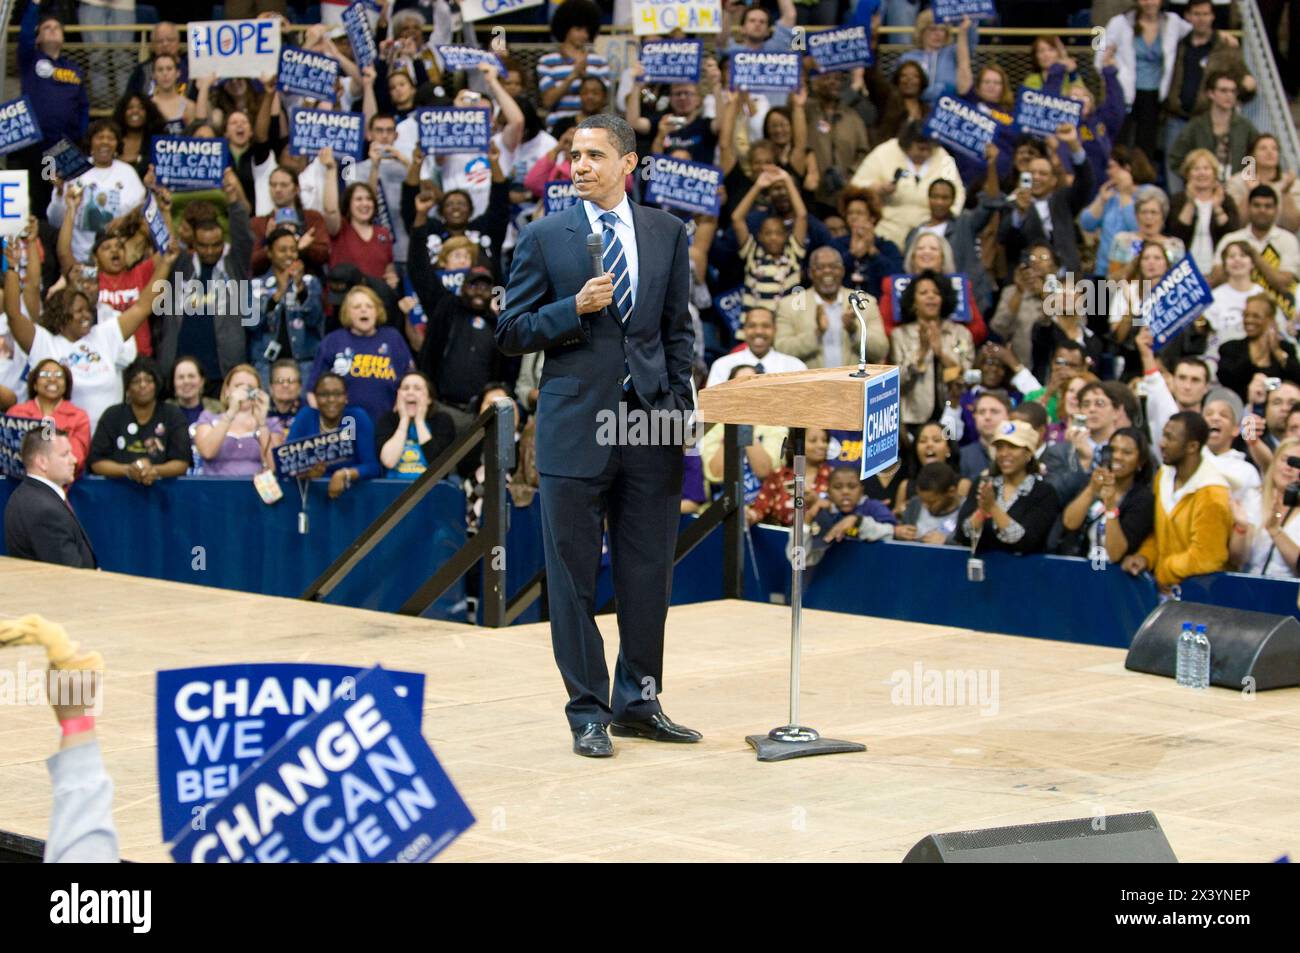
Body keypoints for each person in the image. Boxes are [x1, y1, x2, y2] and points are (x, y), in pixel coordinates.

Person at [495, 114, 700, 757]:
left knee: (646, 574)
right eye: (573, 156)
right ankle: (587, 709)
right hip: (573, 425)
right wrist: (571, 310)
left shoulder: (668, 232)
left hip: (650, 424)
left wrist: (674, 404)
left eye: (593, 155)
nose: (579, 166)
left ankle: (638, 700)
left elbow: (676, 332)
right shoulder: (544, 236)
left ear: (627, 163)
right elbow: (510, 330)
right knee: (572, 577)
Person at [4, 225, 173, 435]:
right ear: (61, 314)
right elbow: (13, 314)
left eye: (88, 310)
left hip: (108, 441)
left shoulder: (103, 334)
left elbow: (143, 306)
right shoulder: (44, 343)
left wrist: (165, 263)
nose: (87, 315)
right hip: (64, 441)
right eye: (79, 311)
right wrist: (11, 269)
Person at [1123, 411, 1233, 588]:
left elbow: (1207, 558)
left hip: (1198, 598)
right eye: (1163, 436)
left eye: (1170, 438)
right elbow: (1159, 534)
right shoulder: (1163, 476)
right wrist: (1145, 557)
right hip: (1164, 594)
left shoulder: (1212, 494)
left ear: (1192, 447)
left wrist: (1162, 569)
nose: (1162, 444)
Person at [1098, 0, 1193, 165]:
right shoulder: (1119, 22)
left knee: (1146, 143)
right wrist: (1106, 62)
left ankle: (1142, 181)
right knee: (1121, 140)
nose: (1150, 3)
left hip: (1154, 94)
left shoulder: (1172, 22)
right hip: (1124, 92)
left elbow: (1198, 33)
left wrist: (1222, 36)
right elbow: (1099, 51)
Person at [308, 285, 415, 431]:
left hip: (386, 426)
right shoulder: (333, 341)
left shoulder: (393, 338)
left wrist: (401, 418)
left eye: (369, 306)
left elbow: (410, 382)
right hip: (341, 428)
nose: (363, 310)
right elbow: (312, 390)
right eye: (357, 307)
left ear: (377, 311)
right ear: (347, 312)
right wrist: (324, 426)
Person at [16, 5, 88, 214]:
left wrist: (80, 135)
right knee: (39, 198)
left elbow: (83, 106)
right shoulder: (30, 60)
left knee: (67, 196)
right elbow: (25, 35)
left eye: (57, 27)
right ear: (38, 39)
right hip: (36, 144)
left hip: (65, 146)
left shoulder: (74, 69)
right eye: (46, 27)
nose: (53, 30)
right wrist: (34, 5)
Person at [951, 420, 1061, 554]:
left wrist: (992, 507)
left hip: (1026, 572)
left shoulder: (1044, 493)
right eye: (1000, 447)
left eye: (1012, 447)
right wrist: (981, 511)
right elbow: (962, 535)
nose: (1003, 453)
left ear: (1028, 453)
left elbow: (1026, 542)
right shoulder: (983, 484)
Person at [997, 123, 1094, 276]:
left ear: (1053, 180)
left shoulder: (1064, 200)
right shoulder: (1011, 204)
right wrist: (1019, 214)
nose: (1036, 177)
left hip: (1067, 279)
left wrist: (1073, 144)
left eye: (1042, 174)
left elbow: (1086, 182)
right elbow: (1004, 238)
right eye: (1032, 173)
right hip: (1030, 280)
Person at [46, 120, 147, 265]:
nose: (105, 142)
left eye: (111, 138)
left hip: (119, 259)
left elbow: (142, 212)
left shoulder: (128, 172)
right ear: (90, 142)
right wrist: (60, 191)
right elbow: (55, 221)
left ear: (117, 144)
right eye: (99, 137)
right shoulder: (74, 171)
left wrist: (125, 219)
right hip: (79, 258)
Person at [851, 121, 965, 250]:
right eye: (921, 149)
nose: (926, 153)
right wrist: (878, 188)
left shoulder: (941, 155)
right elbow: (855, 187)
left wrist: (947, 222)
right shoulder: (884, 152)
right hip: (887, 232)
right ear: (906, 144)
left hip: (929, 235)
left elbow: (958, 193)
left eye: (929, 149)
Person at [773, 247, 886, 369]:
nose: (827, 271)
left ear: (842, 271)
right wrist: (817, 334)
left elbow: (881, 350)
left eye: (833, 267)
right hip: (809, 385)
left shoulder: (865, 303)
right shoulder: (789, 305)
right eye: (820, 267)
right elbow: (781, 350)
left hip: (852, 384)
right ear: (810, 273)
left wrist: (854, 330)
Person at [890, 270, 975, 429]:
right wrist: (921, 354)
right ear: (913, 301)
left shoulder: (960, 333)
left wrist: (941, 353)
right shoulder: (900, 335)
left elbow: (966, 375)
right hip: (913, 418)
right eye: (923, 292)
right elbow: (897, 380)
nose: (931, 296)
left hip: (952, 412)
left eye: (936, 293)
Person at [88, 356, 192, 484]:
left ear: (157, 384)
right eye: (136, 381)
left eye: (148, 380)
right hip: (117, 492)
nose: (142, 385)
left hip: (165, 494)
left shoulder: (173, 414)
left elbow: (182, 463)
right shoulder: (112, 415)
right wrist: (128, 470)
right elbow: (97, 462)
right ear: (127, 387)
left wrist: (154, 470)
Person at [1058, 426, 1156, 561]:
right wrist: (1092, 489)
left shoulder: (1143, 499)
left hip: (1115, 574)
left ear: (1140, 461)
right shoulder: (1093, 484)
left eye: (1126, 452)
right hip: (1083, 567)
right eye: (1113, 450)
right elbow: (1069, 523)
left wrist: (1110, 507)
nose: (1117, 456)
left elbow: (1116, 554)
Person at [4, 430, 95, 570]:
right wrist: (95, 578)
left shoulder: (24, 494)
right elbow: (70, 575)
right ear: (42, 462)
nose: (74, 460)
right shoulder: (45, 511)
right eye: (65, 454)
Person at [249, 226, 326, 389]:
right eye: (282, 250)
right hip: (265, 364)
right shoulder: (255, 285)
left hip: (304, 363)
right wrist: (278, 294)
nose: (289, 255)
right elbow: (251, 324)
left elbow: (315, 320)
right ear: (269, 253)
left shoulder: (310, 282)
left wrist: (300, 289)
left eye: (293, 249)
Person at [286, 373, 381, 500]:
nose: (331, 399)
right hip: (310, 496)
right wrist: (306, 473)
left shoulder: (357, 417)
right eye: (324, 395)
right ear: (315, 398)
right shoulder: (306, 416)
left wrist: (344, 474)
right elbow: (287, 463)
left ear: (346, 397)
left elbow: (372, 467)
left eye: (337, 394)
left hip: (353, 498)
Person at [731, 166, 809, 315]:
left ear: (786, 235)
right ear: (759, 236)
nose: (773, 237)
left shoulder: (793, 253)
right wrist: (758, 186)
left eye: (778, 233)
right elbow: (737, 218)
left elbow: (802, 216)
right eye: (768, 233)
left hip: (785, 328)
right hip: (755, 328)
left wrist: (786, 180)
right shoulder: (753, 254)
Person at [1166, 71, 1258, 196]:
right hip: (1202, 191)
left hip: (1236, 191)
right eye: (1223, 90)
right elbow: (1176, 159)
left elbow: (1253, 156)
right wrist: (1196, 175)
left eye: (1233, 91)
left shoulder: (1245, 127)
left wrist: (1246, 177)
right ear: (1211, 93)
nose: (1229, 95)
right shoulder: (1196, 126)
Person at [6, 360, 92, 480]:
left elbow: (77, 458)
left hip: (61, 487)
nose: (52, 379)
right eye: (45, 375)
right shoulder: (16, 412)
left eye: (58, 376)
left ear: (66, 385)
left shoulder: (78, 416)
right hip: (17, 485)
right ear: (34, 384)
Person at [193, 364, 280, 477]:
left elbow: (274, 466)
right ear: (227, 391)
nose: (244, 391)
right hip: (215, 489)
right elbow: (207, 452)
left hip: (256, 489)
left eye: (250, 387)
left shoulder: (271, 424)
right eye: (238, 386)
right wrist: (231, 413)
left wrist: (262, 423)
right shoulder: (208, 418)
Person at [1230, 437, 1300, 577]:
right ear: (1274, 462)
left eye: (1296, 462)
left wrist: (1275, 531)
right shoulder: (1253, 498)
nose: (1288, 467)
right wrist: (1241, 528)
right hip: (1250, 587)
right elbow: (1236, 559)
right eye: (1284, 459)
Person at [375, 371, 458, 479]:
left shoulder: (442, 420)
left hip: (433, 488)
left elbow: (439, 467)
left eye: (417, 388)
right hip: (394, 488)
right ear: (398, 395)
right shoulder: (387, 420)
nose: (410, 392)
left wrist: (419, 421)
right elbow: (389, 462)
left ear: (429, 398)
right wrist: (404, 420)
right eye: (405, 388)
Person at [1217, 294, 1300, 400]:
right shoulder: (1230, 348)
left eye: (1256, 316)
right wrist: (1260, 352)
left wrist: (1277, 351)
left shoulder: (1286, 348)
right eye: (1246, 315)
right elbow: (1227, 380)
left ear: (1270, 320)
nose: (1249, 320)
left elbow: (1297, 381)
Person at [747, 427, 831, 527]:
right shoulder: (779, 476)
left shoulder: (834, 477)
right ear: (796, 444)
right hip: (780, 540)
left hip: (820, 540)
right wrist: (749, 516)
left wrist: (817, 502)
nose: (821, 445)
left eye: (824, 440)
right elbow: (760, 509)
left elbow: (842, 514)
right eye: (813, 440)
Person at [706, 308, 806, 386]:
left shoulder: (795, 367)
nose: (759, 331)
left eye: (765, 326)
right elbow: (710, 407)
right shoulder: (722, 366)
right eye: (752, 325)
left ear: (775, 330)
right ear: (744, 329)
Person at [1226, 134, 1300, 234]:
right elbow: (1237, 223)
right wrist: (1251, 192)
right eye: (1263, 148)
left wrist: (1285, 192)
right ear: (1252, 155)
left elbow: (1292, 226)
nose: (1269, 152)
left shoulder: (1293, 184)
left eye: (1274, 149)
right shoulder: (1236, 182)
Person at [1106, 185, 1186, 278]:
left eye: (1154, 212)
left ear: (1163, 217)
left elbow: (1180, 280)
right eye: (1144, 212)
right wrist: (1133, 265)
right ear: (1136, 216)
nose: (1148, 217)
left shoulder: (1175, 245)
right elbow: (1111, 280)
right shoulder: (1123, 240)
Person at [895, 461, 965, 544]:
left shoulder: (968, 510)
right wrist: (898, 533)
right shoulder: (915, 504)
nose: (925, 506)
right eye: (922, 500)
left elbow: (973, 544)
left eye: (932, 502)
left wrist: (947, 542)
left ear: (951, 492)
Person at [959, 391, 1011, 480]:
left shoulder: (1021, 453)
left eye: (994, 411)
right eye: (982, 412)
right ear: (974, 416)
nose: (987, 417)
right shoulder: (962, 455)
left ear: (1009, 416)